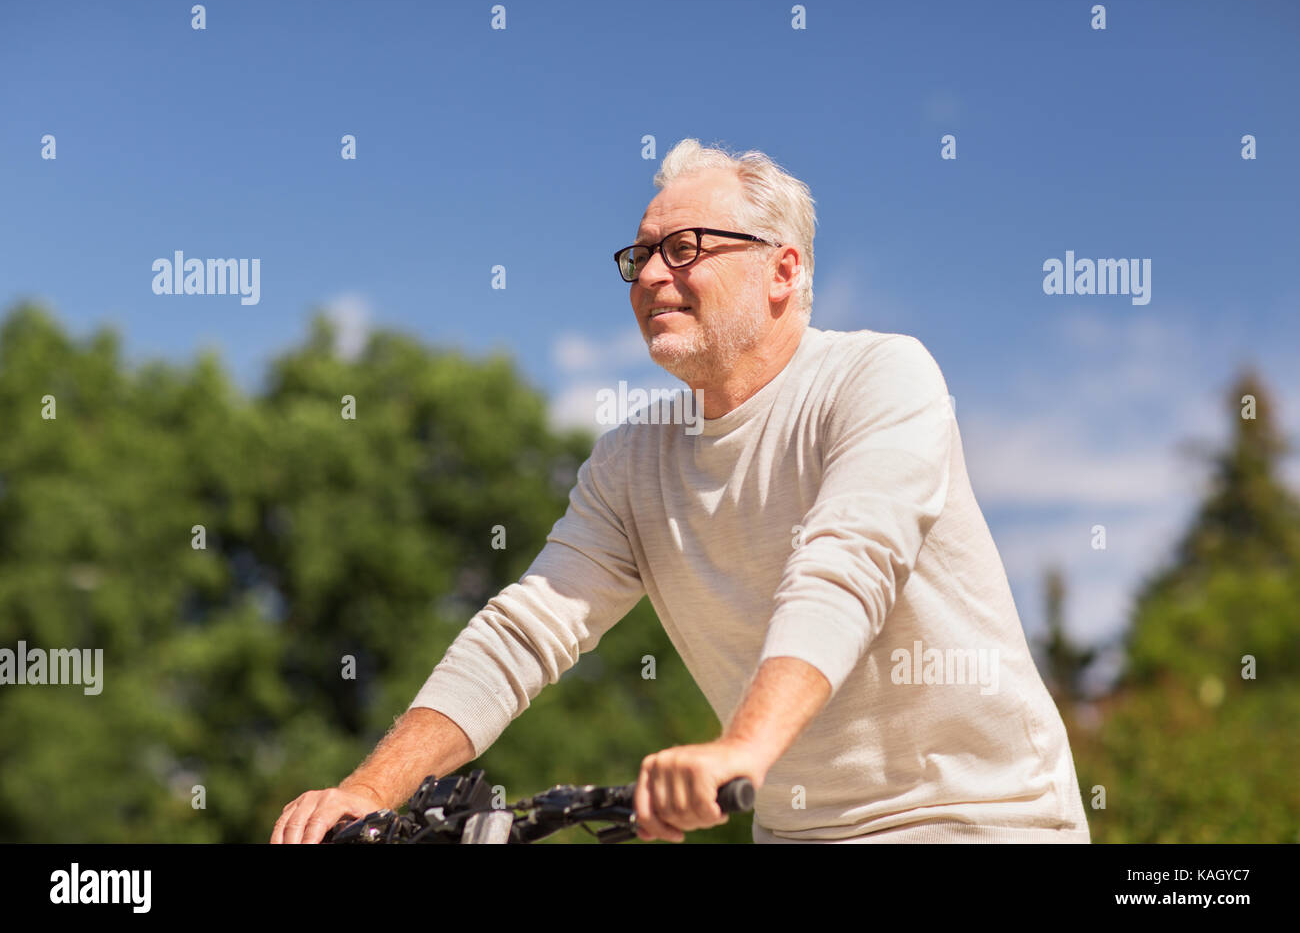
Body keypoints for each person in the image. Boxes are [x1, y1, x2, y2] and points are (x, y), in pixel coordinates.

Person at [271, 137, 1091, 844]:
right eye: (640, 255)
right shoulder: (634, 459)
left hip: (983, 816)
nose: (652, 275)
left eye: (686, 247)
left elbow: (847, 565)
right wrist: (370, 794)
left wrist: (742, 749)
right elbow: (526, 632)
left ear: (783, 268)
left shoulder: (879, 378)